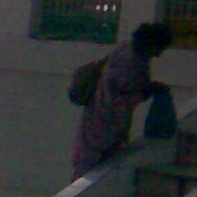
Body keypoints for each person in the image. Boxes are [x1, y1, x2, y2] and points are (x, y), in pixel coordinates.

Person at [70, 22, 172, 178]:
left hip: (103, 118)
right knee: (92, 164)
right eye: (159, 49)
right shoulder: (131, 60)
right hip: (105, 119)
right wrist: (148, 90)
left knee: (94, 160)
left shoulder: (128, 50)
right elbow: (123, 90)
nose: (158, 55)